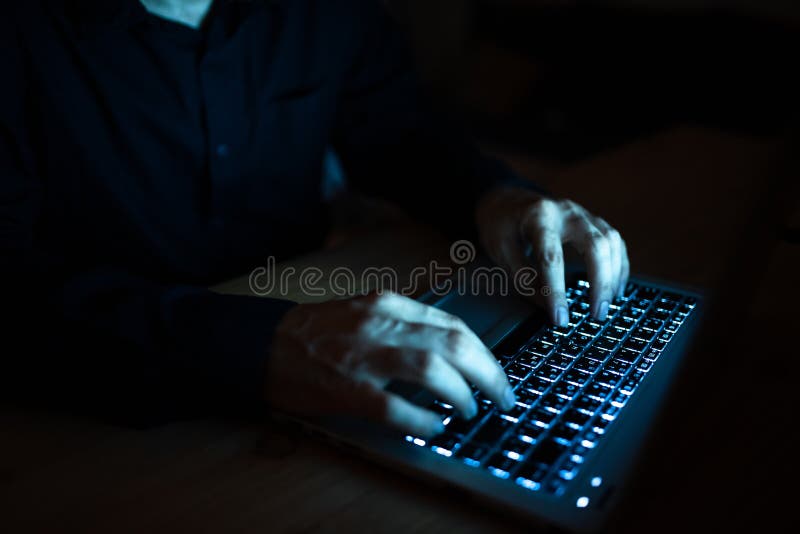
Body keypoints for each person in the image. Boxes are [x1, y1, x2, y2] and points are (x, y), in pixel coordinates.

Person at [1, 0, 629, 436]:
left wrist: (498, 196)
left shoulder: (328, 9)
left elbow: (399, 131)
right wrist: (261, 346)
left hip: (321, 379)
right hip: (97, 410)